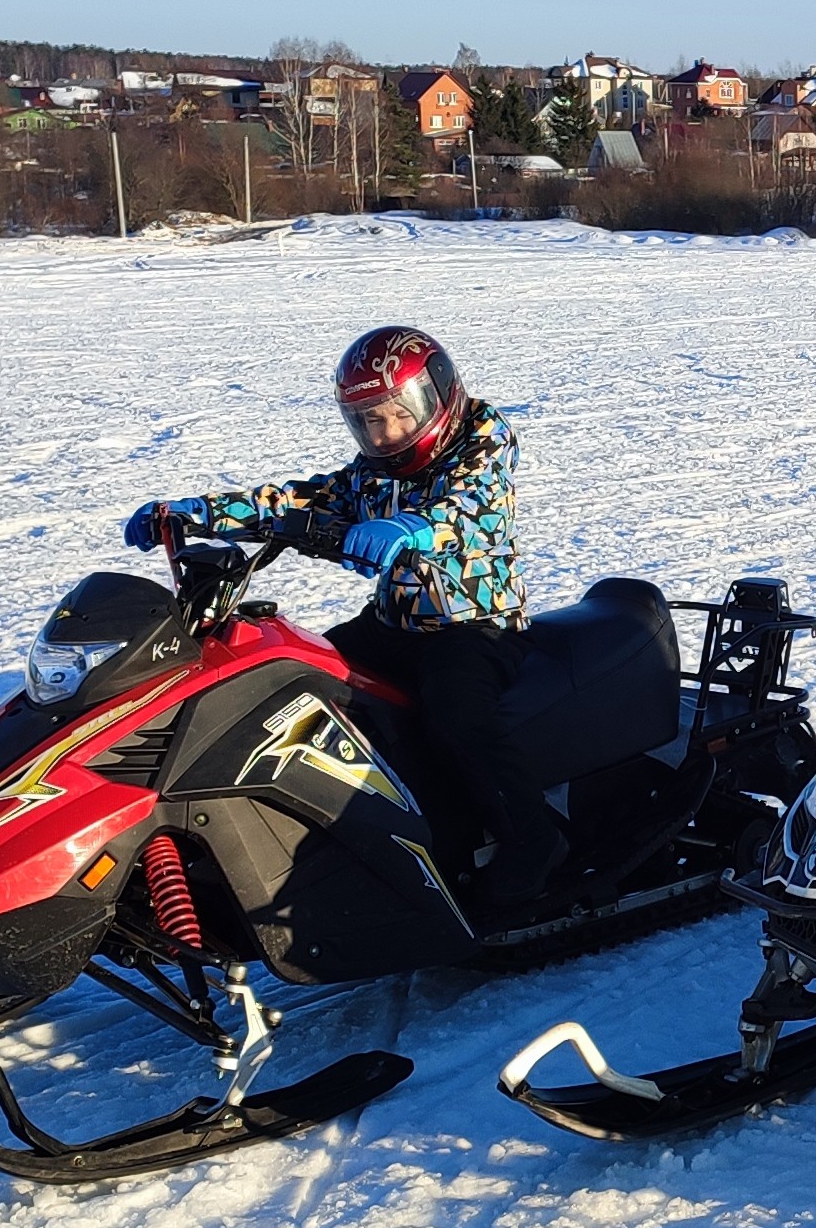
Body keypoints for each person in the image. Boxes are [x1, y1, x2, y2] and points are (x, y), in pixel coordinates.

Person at [128, 325, 568, 911]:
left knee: (457, 714)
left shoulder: (483, 441)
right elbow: (302, 500)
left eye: (397, 415)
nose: (384, 434)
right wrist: (197, 513)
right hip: (393, 626)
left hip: (474, 628)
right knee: (300, 683)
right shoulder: (372, 471)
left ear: (438, 395)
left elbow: (470, 507)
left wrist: (411, 528)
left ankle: (532, 841)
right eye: (366, 421)